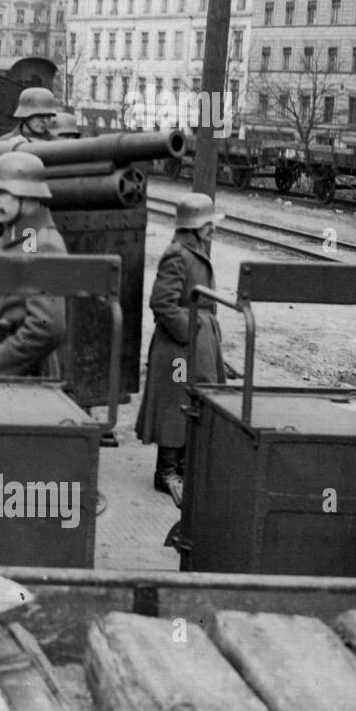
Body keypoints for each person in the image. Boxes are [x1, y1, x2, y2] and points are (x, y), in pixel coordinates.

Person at [135, 193, 226, 505]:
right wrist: (190, 332)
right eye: (209, 223)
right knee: (175, 404)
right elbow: (161, 302)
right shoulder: (177, 254)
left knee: (190, 400)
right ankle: (167, 473)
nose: (213, 228)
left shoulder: (193, 249)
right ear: (194, 226)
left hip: (190, 343)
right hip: (179, 347)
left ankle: (182, 467)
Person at [0, 151, 68, 378]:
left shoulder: (43, 244)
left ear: (27, 195)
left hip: (15, 382)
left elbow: (47, 326)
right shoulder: (19, 235)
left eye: (2, 192)